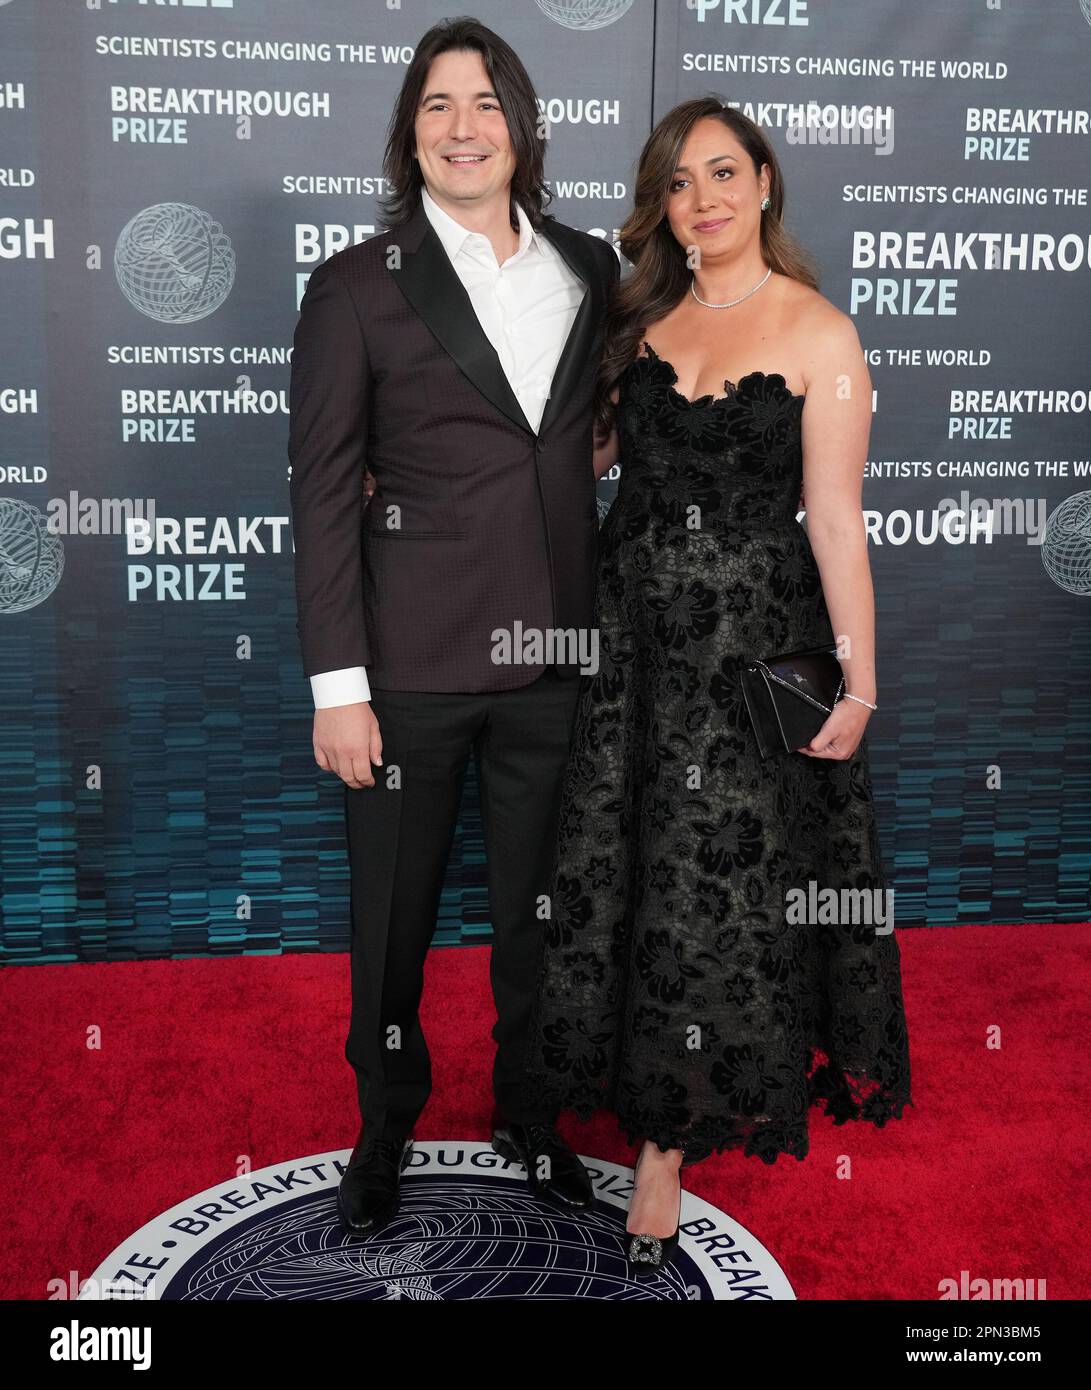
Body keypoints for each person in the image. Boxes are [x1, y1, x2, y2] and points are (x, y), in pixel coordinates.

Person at [521, 98, 913, 1278]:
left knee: (713, 889)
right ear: (661, 205)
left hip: (748, 661)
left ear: (763, 183)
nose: (704, 199)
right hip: (629, 656)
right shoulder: (637, 322)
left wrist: (858, 685)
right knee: (626, 872)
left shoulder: (819, 333)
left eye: (723, 173)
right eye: (680, 182)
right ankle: (629, 1089)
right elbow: (576, 461)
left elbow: (832, 522)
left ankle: (664, 1148)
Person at [287, 17, 618, 1237]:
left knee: (542, 914)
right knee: (393, 919)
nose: (462, 127)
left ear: (521, 126)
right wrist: (338, 685)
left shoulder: (589, 266)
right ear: (408, 134)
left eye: (484, 103)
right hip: (407, 667)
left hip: (558, 659)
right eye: (437, 105)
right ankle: (384, 1127)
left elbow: (591, 433)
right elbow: (324, 492)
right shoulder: (354, 287)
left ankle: (530, 1114)